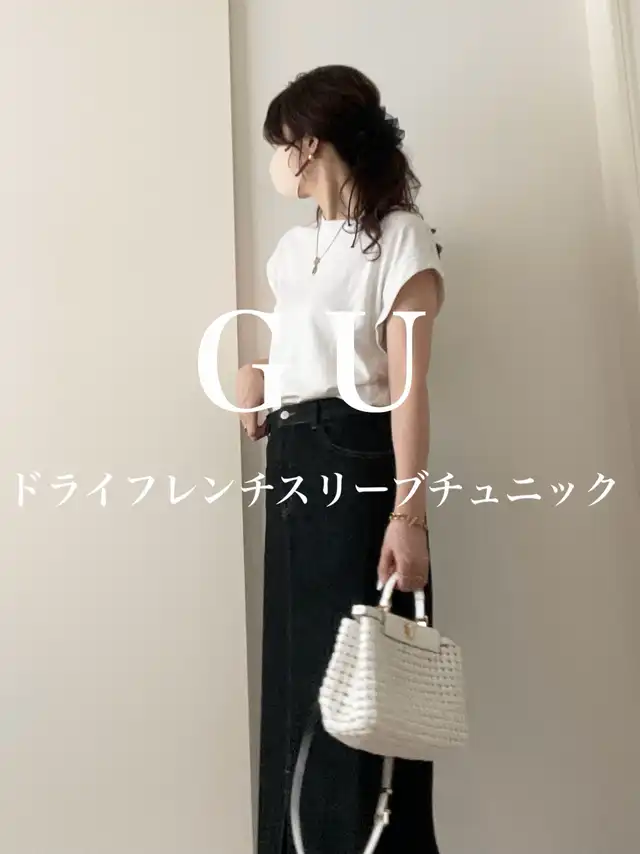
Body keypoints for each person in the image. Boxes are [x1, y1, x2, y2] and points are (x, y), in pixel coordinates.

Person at [236, 64, 445, 854]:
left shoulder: (401, 236)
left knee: (358, 690)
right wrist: (257, 374)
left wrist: (408, 516)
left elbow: (410, 388)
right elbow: (301, 351)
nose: (276, 160)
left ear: (309, 143)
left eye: (279, 143)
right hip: (291, 458)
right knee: (297, 681)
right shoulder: (292, 252)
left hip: (356, 460)